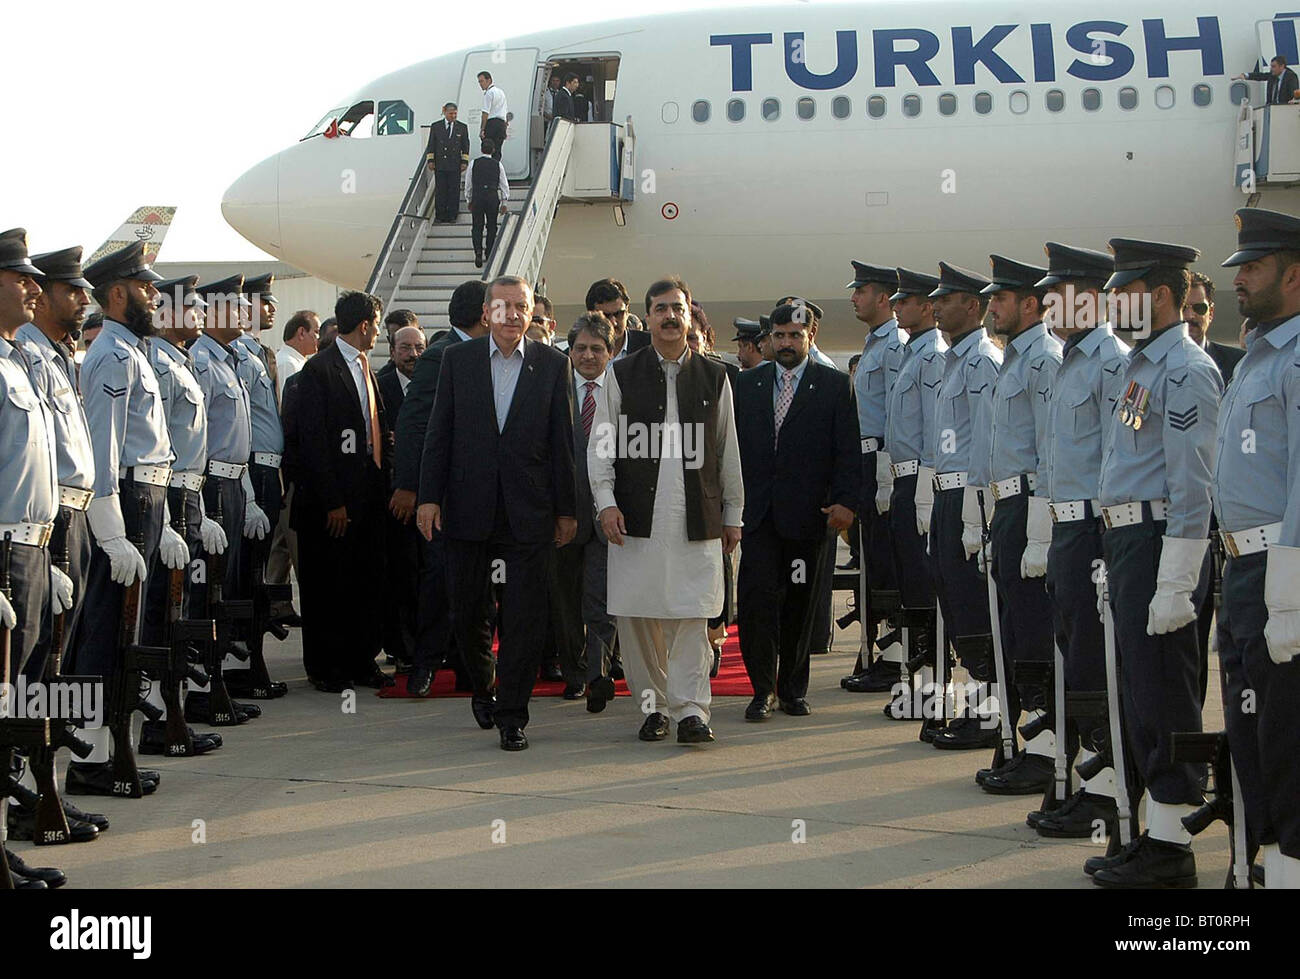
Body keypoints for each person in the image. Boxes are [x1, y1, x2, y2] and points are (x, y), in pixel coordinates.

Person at [1091, 238, 1221, 888]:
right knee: (1139, 692)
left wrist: (1175, 580)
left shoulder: (1186, 369)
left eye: (1124, 292)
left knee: (1166, 692)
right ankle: (1152, 834)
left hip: (1163, 542)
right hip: (1131, 543)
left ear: (1161, 296)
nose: (1113, 304)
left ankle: (1173, 850)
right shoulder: (1141, 366)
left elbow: (1192, 485)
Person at [416, 276, 576, 750]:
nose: (512, 314)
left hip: (530, 511)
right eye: (502, 306)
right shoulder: (457, 360)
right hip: (468, 506)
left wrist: (567, 510)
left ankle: (512, 713)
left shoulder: (552, 364)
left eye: (521, 306)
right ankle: (483, 684)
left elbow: (563, 443)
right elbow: (438, 432)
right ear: (487, 313)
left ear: (532, 314)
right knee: (468, 608)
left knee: (526, 616)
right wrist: (429, 496)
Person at [588, 276, 743, 745]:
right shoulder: (621, 373)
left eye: (678, 308)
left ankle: (691, 711)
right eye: (661, 309)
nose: (670, 317)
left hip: (696, 518)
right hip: (634, 519)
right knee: (638, 620)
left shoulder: (715, 376)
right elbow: (601, 446)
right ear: (647, 317)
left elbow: (726, 449)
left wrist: (733, 513)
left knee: (692, 615)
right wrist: (606, 503)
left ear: (689, 313)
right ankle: (654, 706)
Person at [69, 241, 183, 798]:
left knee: (129, 635)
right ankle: (90, 759)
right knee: (107, 634)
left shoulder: (131, 350)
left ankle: (115, 751)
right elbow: (102, 447)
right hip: (129, 500)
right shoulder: (111, 355)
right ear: (117, 294)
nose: (154, 295)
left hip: (149, 502)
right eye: (144, 287)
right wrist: (110, 528)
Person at [1031, 243, 1129, 841]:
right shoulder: (1069, 360)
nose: (1047, 302)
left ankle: (1108, 791)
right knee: (1073, 650)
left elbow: (1121, 456)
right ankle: (1090, 785)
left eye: (1058, 292)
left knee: (1097, 658)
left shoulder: (1111, 361)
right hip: (1066, 526)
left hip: (1096, 527)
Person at [1215, 206, 1300, 890]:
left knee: (1288, 733)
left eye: (1254, 267)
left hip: (1281, 569)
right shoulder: (1259, 354)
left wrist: (1289, 593)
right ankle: (1263, 863)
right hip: (1241, 568)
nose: (1239, 280)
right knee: (1250, 730)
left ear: (1295, 275)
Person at [733, 301, 857, 720]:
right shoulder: (746, 385)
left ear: (811, 336)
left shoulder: (834, 386)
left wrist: (845, 502)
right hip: (759, 517)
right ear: (769, 338)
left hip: (807, 520)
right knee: (757, 602)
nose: (786, 344)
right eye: (779, 336)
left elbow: (847, 450)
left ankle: (792, 689)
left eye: (794, 336)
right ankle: (761, 688)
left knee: (799, 606)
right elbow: (731, 453)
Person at [975, 255, 1063, 793]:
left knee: (1035, 633)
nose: (991, 308)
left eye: (999, 299)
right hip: (1007, 507)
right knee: (1011, 631)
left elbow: (1050, 451)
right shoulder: (1014, 359)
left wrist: (1038, 533)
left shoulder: (1044, 359)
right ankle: (1024, 740)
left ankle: (1048, 748)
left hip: (1032, 505)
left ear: (1030, 304)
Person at [0, 228, 70, 887]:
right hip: (4, 554)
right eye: (15, 276)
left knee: (13, 703)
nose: (29, 285)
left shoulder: (11, 362)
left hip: (29, 549)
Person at [139, 275, 226, 754]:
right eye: (189, 307)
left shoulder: (182, 362)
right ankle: (157, 719)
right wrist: (171, 518)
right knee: (161, 614)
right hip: (167, 497)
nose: (198, 314)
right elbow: (160, 447)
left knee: (186, 608)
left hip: (189, 496)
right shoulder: (157, 361)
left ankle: (178, 710)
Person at [293, 291, 393, 692]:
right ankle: (328, 667)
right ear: (365, 324)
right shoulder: (319, 370)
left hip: (368, 493)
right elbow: (313, 441)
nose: (379, 333)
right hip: (332, 501)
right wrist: (333, 500)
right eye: (377, 325)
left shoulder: (366, 367)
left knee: (365, 580)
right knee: (329, 584)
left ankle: (362, 660)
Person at [391, 280, 487, 696]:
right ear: (484, 313)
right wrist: (411, 487)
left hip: (485, 489)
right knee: (439, 578)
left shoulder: (495, 352)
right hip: (444, 492)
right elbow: (413, 423)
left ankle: (473, 668)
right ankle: (426, 665)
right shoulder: (439, 355)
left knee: (481, 583)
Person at [925, 262, 1003, 748]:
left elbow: (989, 439)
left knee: (975, 610)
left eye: (945, 298)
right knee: (955, 607)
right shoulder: (955, 359)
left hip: (968, 497)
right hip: (945, 495)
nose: (935, 306)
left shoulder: (982, 362)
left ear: (972, 306)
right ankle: (976, 706)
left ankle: (990, 714)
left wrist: (977, 508)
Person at [16, 246, 96, 684]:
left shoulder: (57, 356)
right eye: (72, 291)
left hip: (72, 513)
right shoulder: (26, 356)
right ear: (43, 299)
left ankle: (61, 747)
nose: (84, 300)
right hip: (51, 520)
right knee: (42, 651)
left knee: (65, 646)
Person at [879, 268, 945, 725]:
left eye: (906, 301)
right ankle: (918, 687)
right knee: (911, 595)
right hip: (903, 481)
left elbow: (936, 427)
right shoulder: (910, 353)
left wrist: (923, 486)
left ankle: (934, 690)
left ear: (927, 306)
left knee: (927, 595)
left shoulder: (933, 355)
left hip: (922, 483)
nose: (897, 307)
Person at [551, 313, 620, 706]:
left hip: (608, 516)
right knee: (565, 600)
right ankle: (574, 672)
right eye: (580, 348)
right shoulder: (555, 389)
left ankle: (599, 675)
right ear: (570, 350)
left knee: (602, 599)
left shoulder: (621, 391)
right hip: (564, 515)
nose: (588, 356)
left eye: (597, 349)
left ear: (610, 352)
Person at [844, 262, 906, 692]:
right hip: (868, 461)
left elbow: (903, 413)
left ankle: (896, 655)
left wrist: (886, 469)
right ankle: (883, 651)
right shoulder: (874, 343)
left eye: (862, 290)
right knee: (872, 558)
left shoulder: (895, 344)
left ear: (884, 297)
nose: (854, 297)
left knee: (888, 561)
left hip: (884, 460)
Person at [1183, 272, 1245, 383]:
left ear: (1211, 313)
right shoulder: (1151, 362)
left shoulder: (1238, 363)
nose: (1189, 316)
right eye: (1183, 308)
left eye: (1199, 308)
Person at [467, 139, 509, 268]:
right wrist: (504, 201)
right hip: (492, 196)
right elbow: (504, 185)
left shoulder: (473, 163)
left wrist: (469, 199)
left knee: (477, 226)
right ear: (493, 150)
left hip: (478, 197)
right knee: (491, 226)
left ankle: (478, 251)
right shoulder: (498, 165)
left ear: (481, 149)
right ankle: (489, 251)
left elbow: (468, 184)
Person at [586, 278, 650, 361]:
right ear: (591, 316)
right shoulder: (575, 356)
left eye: (618, 314)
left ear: (627, 311)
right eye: (605, 316)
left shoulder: (649, 347)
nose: (613, 322)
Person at [427, 102, 470, 224]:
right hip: (440, 164)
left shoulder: (462, 127)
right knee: (441, 190)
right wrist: (431, 160)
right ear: (445, 112)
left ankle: (452, 215)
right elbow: (431, 145)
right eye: (451, 113)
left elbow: (465, 146)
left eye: (455, 114)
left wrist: (464, 161)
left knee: (453, 190)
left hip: (454, 164)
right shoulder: (436, 127)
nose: (453, 116)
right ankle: (440, 215)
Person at [275, 310, 319, 398]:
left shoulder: (297, 361)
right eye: (316, 332)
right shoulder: (288, 364)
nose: (319, 337)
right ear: (301, 332)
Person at [1233, 55, 1299, 105]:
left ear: (1282, 66)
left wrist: (1294, 100)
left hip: (1283, 110)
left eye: (1274, 66)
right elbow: (1261, 76)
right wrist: (1245, 75)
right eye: (1271, 66)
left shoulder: (1291, 77)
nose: (1271, 69)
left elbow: (1294, 93)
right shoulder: (1273, 75)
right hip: (1271, 109)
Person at [477, 71, 508, 160]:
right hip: (501, 124)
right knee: (497, 151)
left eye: (482, 81)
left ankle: (488, 169)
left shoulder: (489, 93)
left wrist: (482, 129)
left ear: (489, 80)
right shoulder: (501, 92)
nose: (480, 84)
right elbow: (505, 111)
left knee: (487, 149)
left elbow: (485, 113)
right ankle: (496, 169)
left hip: (492, 124)